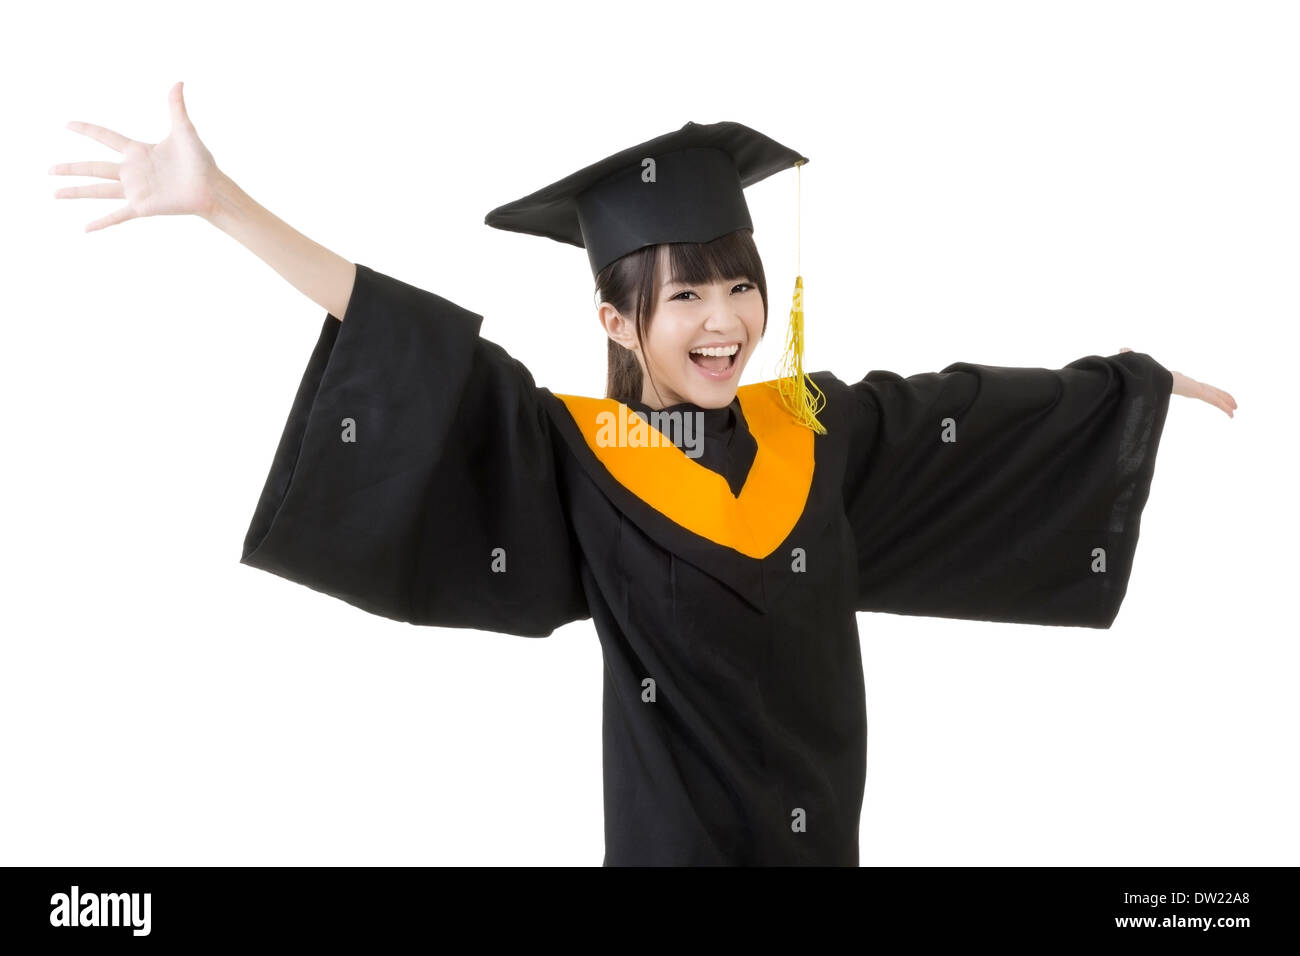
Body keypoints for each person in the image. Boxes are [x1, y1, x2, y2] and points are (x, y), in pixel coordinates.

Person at [51, 82, 1237, 866]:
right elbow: (408, 346)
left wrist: (1129, 387)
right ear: (617, 319)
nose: (724, 322)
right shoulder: (578, 453)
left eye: (738, 285)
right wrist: (222, 206)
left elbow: (967, 414)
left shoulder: (812, 428)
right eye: (683, 294)